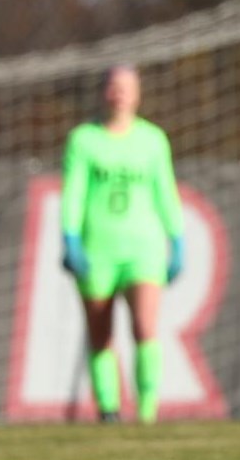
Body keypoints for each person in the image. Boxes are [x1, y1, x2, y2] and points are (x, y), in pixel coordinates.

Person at [60, 65, 185, 425]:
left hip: (143, 249)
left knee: (145, 326)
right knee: (101, 333)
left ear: (138, 94)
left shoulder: (153, 140)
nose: (119, 94)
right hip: (98, 248)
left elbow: (166, 193)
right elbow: (74, 194)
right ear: (104, 92)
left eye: (126, 87)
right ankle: (109, 410)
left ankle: (147, 412)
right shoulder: (84, 140)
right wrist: (69, 236)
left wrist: (177, 239)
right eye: (113, 87)